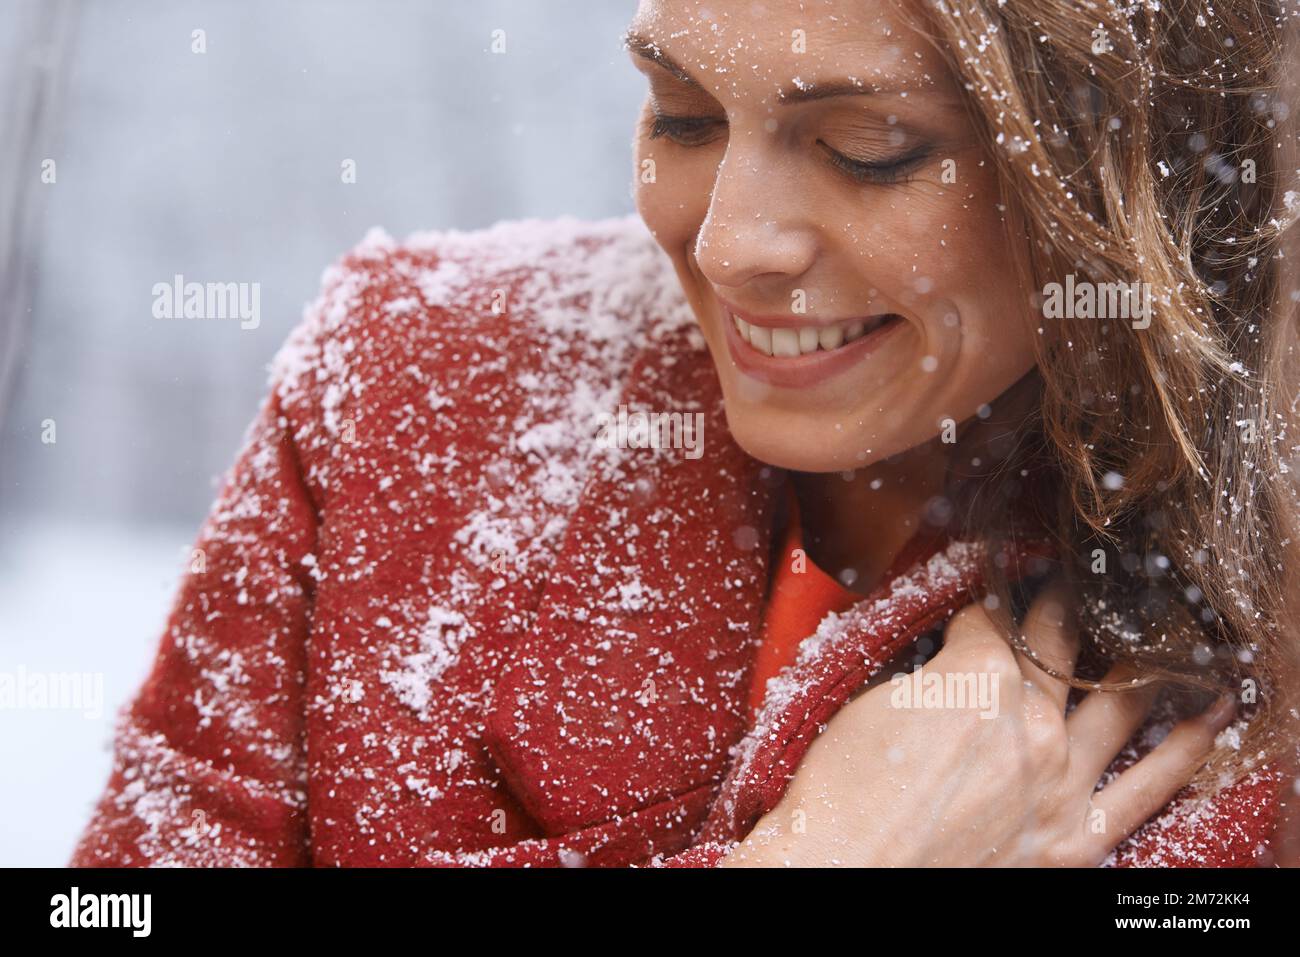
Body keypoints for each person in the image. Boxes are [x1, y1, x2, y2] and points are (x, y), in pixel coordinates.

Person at [72, 0, 1300, 867]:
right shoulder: (405, 373)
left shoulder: (1251, 649)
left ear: (1127, 175)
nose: (724, 243)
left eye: (867, 149)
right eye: (683, 116)